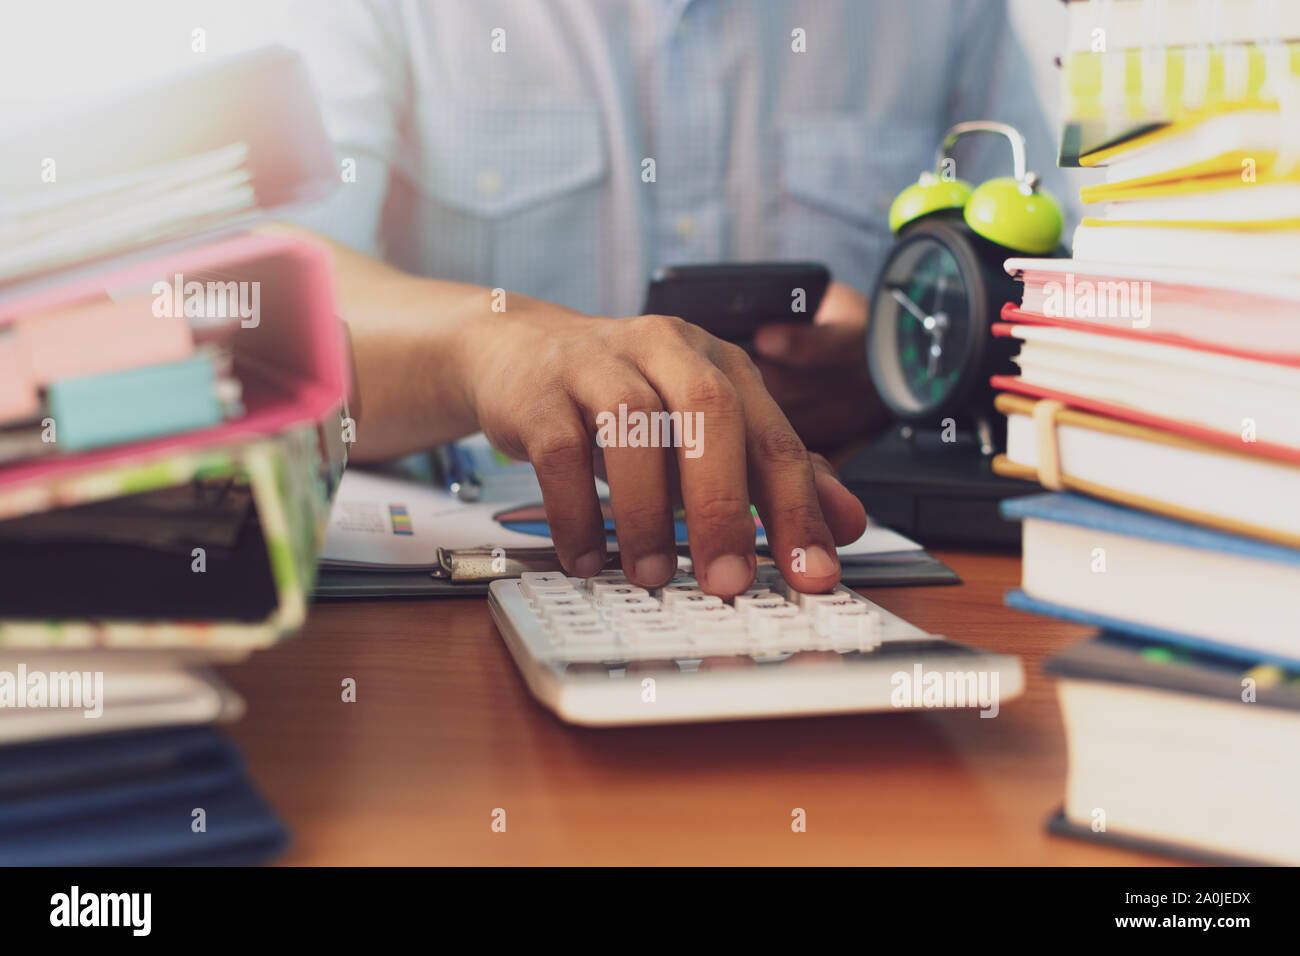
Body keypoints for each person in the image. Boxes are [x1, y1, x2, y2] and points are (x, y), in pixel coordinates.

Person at [281, 0, 1069, 597]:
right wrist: (492, 344)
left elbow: (1053, 303)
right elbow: (265, 296)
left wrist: (897, 373)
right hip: (456, 589)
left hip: (854, 565)